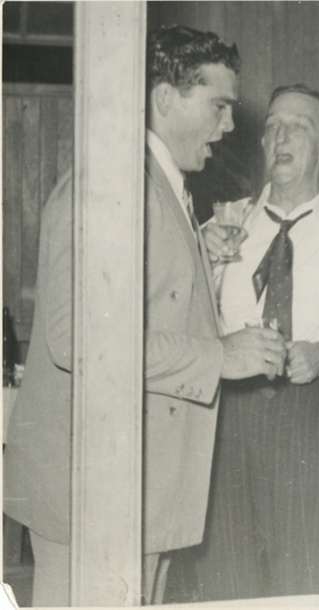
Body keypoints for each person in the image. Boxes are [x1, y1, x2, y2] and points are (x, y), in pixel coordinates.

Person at [3, 26, 287, 606]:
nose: (230, 126)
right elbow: (74, 338)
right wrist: (220, 355)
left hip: (135, 490)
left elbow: (144, 309)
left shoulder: (158, 184)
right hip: (97, 496)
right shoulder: (111, 186)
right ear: (164, 99)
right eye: (219, 106)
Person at [188, 83, 319, 600]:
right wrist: (205, 261)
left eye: (299, 127)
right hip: (227, 422)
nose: (281, 136)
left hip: (315, 420)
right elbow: (182, 332)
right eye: (272, 126)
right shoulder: (223, 225)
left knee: (312, 582)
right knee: (223, 579)